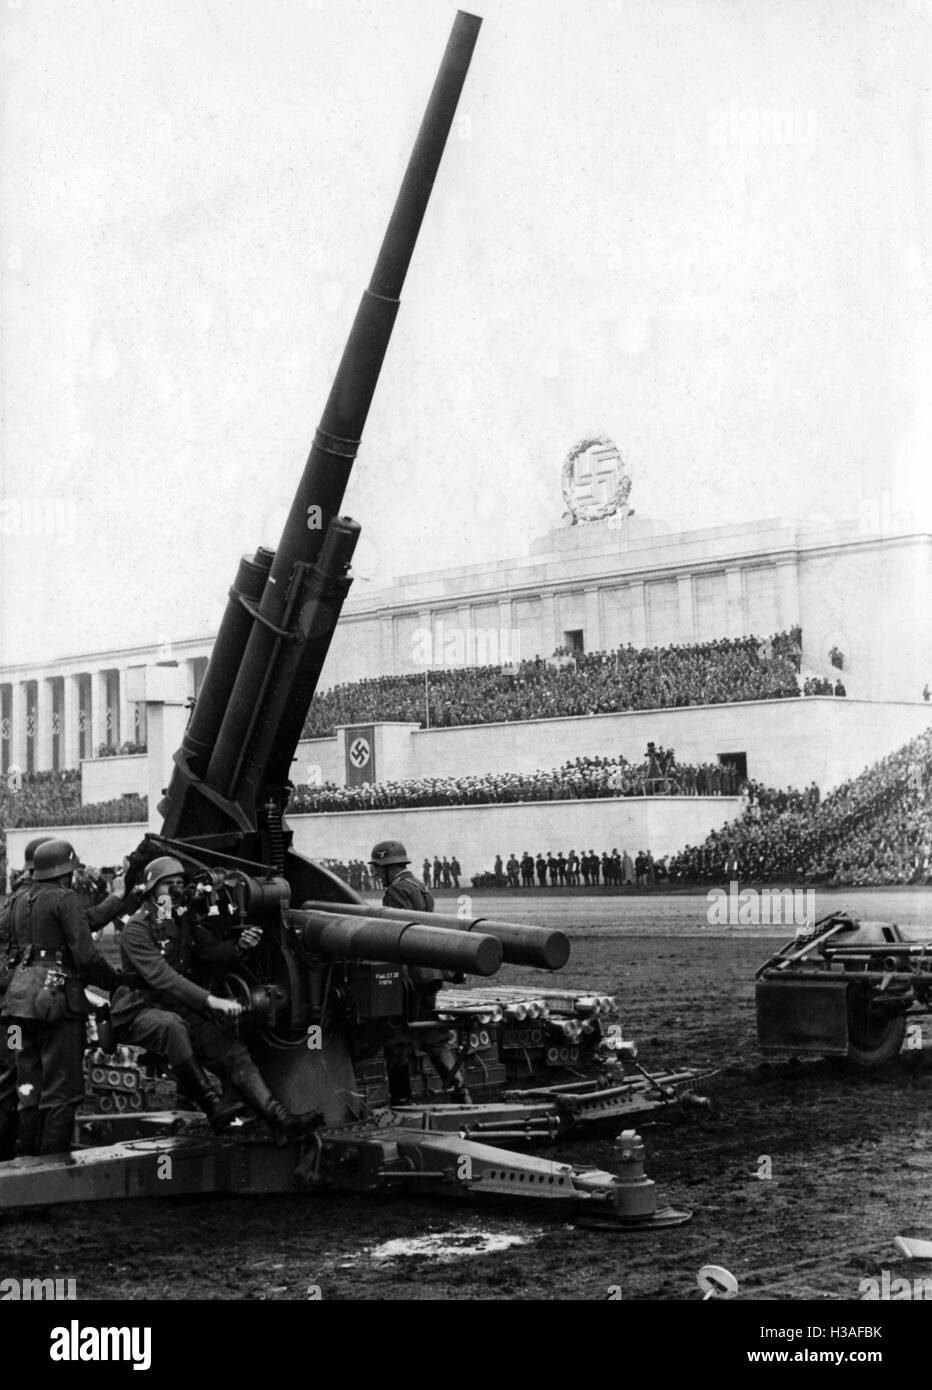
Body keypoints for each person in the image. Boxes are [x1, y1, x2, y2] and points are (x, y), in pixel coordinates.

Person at [111, 856, 321, 1142]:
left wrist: (239, 947)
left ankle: (280, 1119)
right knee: (172, 1027)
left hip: (179, 1005)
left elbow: (212, 954)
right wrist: (211, 1001)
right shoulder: (138, 928)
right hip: (140, 1007)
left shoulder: (180, 918)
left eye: (178, 884)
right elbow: (162, 977)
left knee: (232, 1052)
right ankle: (212, 1106)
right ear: (150, 890)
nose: (174, 891)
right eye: (166, 885)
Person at [1, 839, 120, 1155]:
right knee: (62, 1092)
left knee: (29, 1089)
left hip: (19, 1004)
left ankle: (23, 1169)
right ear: (67, 873)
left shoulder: (15, 900)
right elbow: (87, 957)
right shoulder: (65, 899)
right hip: (58, 1004)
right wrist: (116, 982)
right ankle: (52, 1174)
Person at [369, 840, 469, 1104]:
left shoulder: (396, 890)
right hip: (431, 971)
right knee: (433, 1034)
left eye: (378, 869)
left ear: (389, 867)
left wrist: (395, 978)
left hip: (412, 975)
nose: (377, 874)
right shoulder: (420, 885)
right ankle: (461, 1092)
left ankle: (401, 1100)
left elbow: (400, 934)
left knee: (398, 1037)